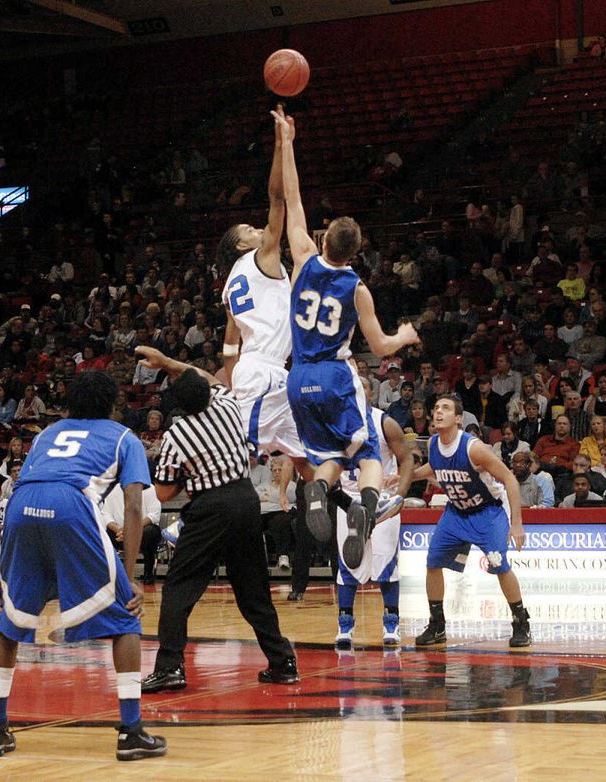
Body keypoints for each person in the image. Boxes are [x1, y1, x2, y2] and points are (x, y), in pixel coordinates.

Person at [0, 370, 165, 761]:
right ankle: (131, 731)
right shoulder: (123, 437)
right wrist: (129, 577)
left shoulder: (47, 433)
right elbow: (134, 506)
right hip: (72, 503)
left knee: (9, 623)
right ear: (112, 404)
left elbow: (33, 478)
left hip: (20, 507)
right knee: (126, 617)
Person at [273, 106, 420, 570]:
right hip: (336, 374)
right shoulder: (357, 289)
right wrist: (405, 336)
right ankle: (367, 509)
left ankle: (318, 486)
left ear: (323, 242)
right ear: (357, 252)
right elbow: (378, 347)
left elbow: (293, 200)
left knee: (328, 455)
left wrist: (287, 142)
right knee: (370, 451)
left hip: (298, 377)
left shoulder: (301, 259)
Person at [136, 347, 298, 694]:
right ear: (208, 392)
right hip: (245, 500)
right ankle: (282, 661)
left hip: (210, 508)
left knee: (179, 586)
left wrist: (190, 475)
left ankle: (170, 667)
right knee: (252, 588)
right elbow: (206, 375)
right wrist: (168, 361)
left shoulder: (178, 435)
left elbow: (164, 494)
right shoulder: (228, 406)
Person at [218, 104, 304, 470]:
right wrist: (281, 146)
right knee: (236, 460)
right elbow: (277, 199)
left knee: (305, 453)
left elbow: (227, 349)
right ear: (241, 245)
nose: (258, 230)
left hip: (263, 371)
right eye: (249, 231)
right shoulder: (261, 258)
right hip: (262, 371)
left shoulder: (230, 286)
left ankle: (349, 506)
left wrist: (236, 376)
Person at [411, 394, 530, 648]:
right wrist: (408, 477)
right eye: (436, 407)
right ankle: (437, 624)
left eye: (445, 408)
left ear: (457, 418)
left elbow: (510, 479)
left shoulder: (473, 447)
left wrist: (516, 523)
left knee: (499, 565)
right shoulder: (433, 444)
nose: (438, 411)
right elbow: (434, 467)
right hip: (456, 513)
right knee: (432, 562)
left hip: (488, 512)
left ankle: (522, 622)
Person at [334, 379, 414, 648]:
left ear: (370, 393)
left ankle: (391, 622)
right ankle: (345, 625)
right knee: (348, 563)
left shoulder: (384, 422)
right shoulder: (334, 422)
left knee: (385, 562)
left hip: (382, 500)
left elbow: (407, 459)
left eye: (363, 387)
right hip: (348, 501)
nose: (356, 389)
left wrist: (400, 494)